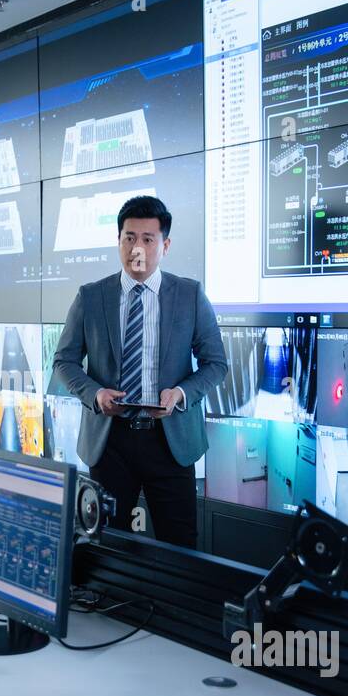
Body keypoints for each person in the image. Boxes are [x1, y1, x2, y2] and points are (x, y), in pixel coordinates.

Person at [52, 195, 228, 548]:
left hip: (170, 439)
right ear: (118, 241)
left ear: (165, 244)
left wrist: (180, 395)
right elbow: (64, 361)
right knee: (106, 541)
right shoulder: (91, 297)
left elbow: (216, 364)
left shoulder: (189, 295)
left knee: (179, 543)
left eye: (148, 239)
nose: (138, 247)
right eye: (129, 237)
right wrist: (95, 395)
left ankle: (173, 605)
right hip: (110, 440)